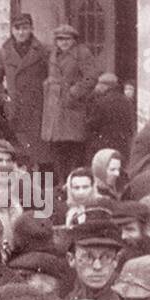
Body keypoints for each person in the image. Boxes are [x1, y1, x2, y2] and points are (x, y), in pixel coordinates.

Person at [0, 12, 48, 163]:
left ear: (31, 29)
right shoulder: (4, 52)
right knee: (18, 153)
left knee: (39, 153)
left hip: (37, 109)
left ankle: (39, 184)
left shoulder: (42, 51)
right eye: (17, 28)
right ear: (12, 30)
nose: (21, 32)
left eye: (25, 28)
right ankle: (18, 184)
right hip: (15, 109)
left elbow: (50, 78)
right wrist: (5, 98)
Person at [41, 24, 97, 182]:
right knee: (57, 148)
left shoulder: (82, 53)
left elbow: (91, 77)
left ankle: (73, 183)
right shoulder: (53, 54)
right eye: (59, 39)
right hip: (53, 108)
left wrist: (74, 93)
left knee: (73, 148)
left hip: (72, 108)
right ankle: (61, 183)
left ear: (74, 40)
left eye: (67, 39)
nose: (63, 43)